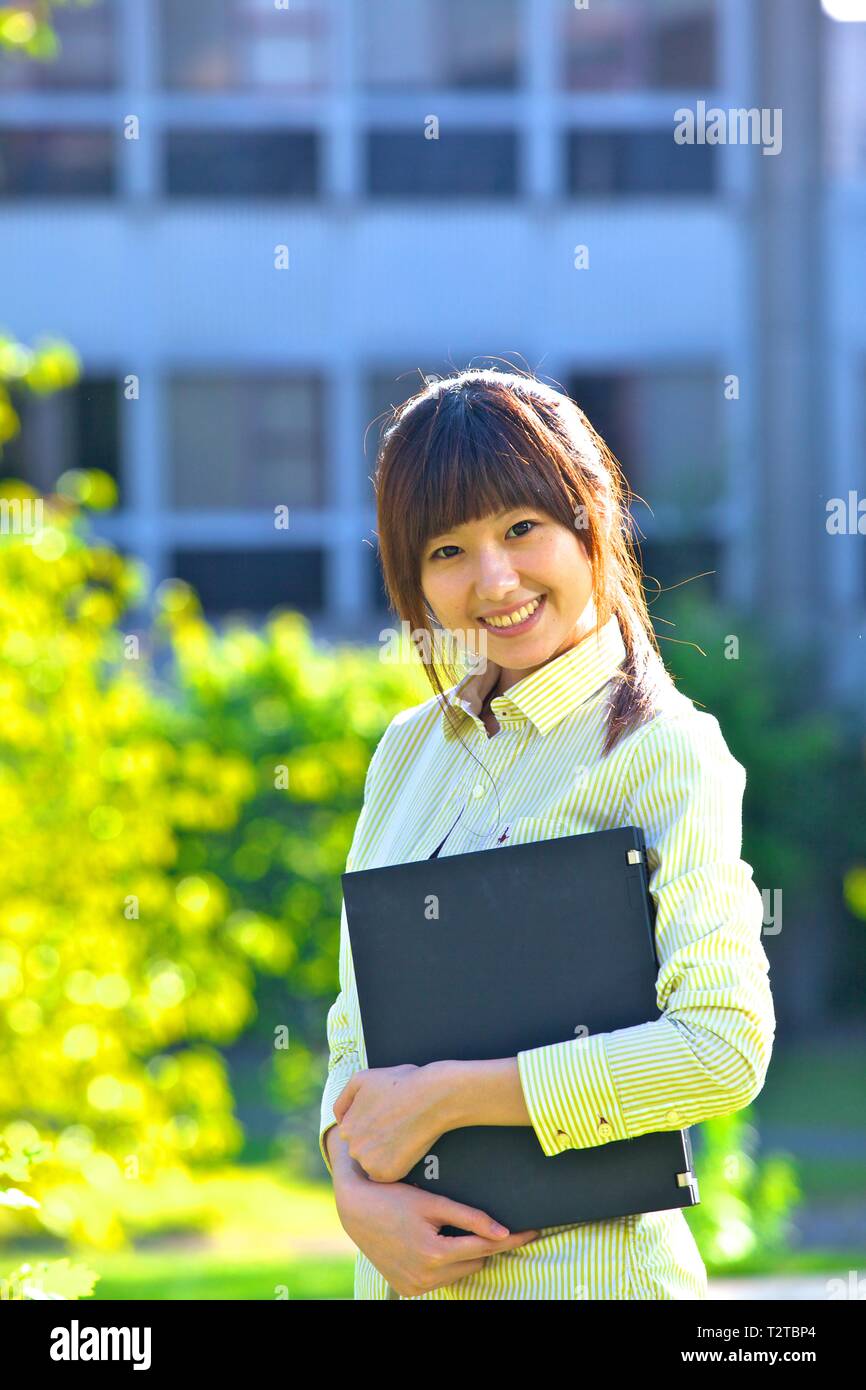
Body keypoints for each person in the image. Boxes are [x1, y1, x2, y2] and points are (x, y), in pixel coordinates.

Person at [319, 366, 776, 1300]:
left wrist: (451, 1096)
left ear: (591, 523)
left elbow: (723, 1045)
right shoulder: (407, 754)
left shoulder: (666, 753)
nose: (495, 580)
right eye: (447, 551)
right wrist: (353, 1188)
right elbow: (351, 1037)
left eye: (522, 530)